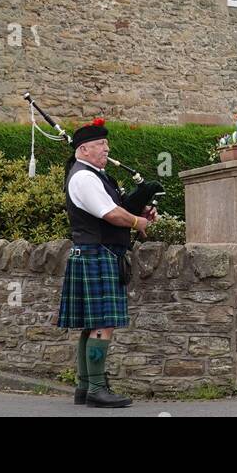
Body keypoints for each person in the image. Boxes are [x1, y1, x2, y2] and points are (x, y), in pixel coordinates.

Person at [56, 118, 156, 408]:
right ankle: (97, 390)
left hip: (96, 254)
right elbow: (111, 214)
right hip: (96, 254)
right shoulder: (84, 178)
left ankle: (85, 386)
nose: (106, 148)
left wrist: (140, 211)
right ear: (84, 149)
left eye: (106, 144)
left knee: (92, 324)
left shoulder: (95, 175)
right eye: (101, 144)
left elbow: (118, 207)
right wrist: (136, 222)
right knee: (103, 324)